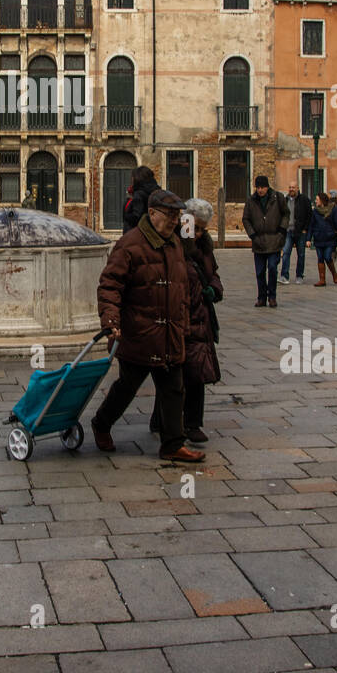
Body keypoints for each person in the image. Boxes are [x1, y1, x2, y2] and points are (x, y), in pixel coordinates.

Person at [93, 189, 204, 465]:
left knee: (173, 388)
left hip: (171, 332)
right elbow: (110, 285)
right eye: (169, 216)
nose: (174, 222)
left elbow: (182, 286)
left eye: (177, 216)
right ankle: (101, 423)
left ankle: (173, 444)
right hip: (139, 333)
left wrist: (184, 320)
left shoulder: (175, 243)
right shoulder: (129, 245)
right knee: (127, 387)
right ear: (152, 213)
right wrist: (111, 321)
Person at [150, 198, 223, 445]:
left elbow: (213, 274)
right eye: (195, 227)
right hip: (179, 317)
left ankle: (191, 424)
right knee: (176, 373)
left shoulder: (204, 247)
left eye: (203, 228)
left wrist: (213, 289)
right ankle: (165, 419)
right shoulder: (172, 246)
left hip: (200, 318)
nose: (199, 232)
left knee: (195, 373)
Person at [241, 174, 288, 308]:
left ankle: (272, 296)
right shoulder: (251, 201)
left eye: (262, 187)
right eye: (258, 187)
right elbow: (246, 219)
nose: (260, 190)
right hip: (259, 241)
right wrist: (253, 235)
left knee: (272, 268)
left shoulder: (277, 198)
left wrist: (282, 230)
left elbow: (286, 214)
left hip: (274, 239)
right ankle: (261, 297)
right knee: (260, 271)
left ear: (267, 187)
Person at [307, 191, 337, 286]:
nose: (315, 201)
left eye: (317, 200)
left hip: (330, 238)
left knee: (327, 257)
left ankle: (334, 273)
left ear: (322, 200)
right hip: (318, 238)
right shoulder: (315, 211)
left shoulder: (333, 209)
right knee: (320, 258)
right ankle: (322, 279)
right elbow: (311, 225)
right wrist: (308, 239)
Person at [279, 182, 311, 284]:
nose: (291, 189)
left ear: (297, 188)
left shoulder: (304, 200)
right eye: (290, 187)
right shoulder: (285, 200)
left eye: (293, 187)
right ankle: (284, 276)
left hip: (300, 231)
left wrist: (305, 229)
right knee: (286, 253)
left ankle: (299, 276)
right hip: (288, 231)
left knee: (301, 254)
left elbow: (309, 215)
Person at [122, 165, 158, 233]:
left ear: (137, 179)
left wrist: (126, 216)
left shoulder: (139, 194)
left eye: (132, 177)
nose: (131, 180)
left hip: (136, 233)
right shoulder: (156, 192)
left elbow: (136, 217)